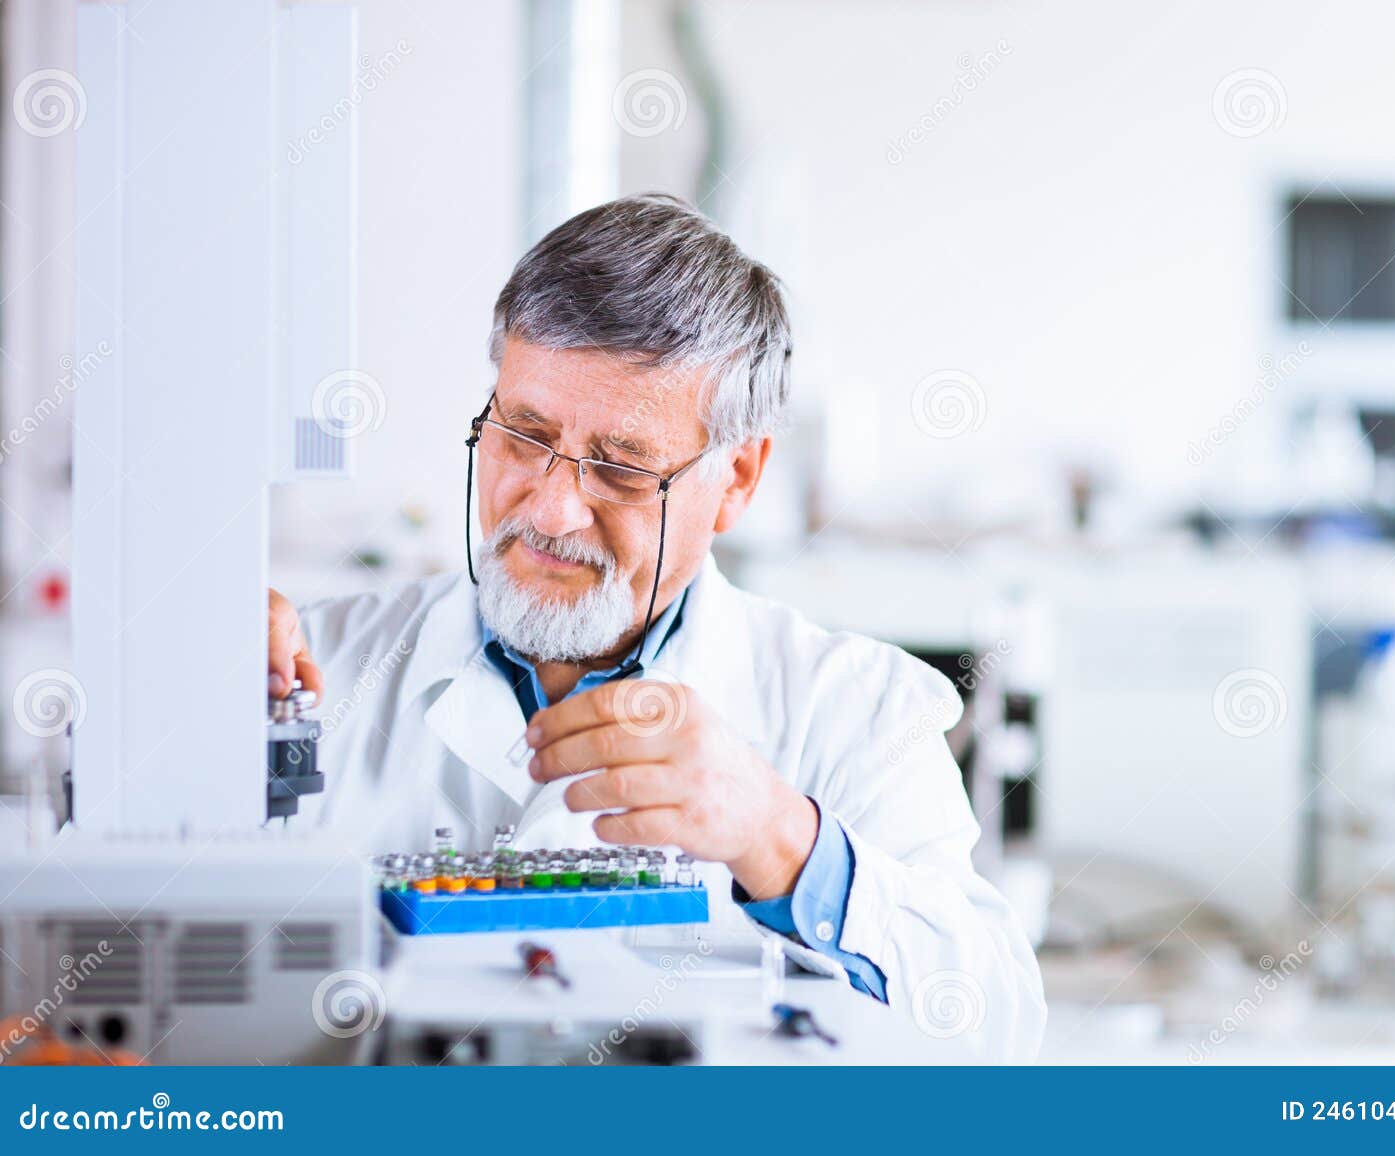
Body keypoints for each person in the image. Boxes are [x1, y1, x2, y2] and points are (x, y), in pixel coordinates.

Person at [268, 194, 1044, 1058]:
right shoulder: (309, 667)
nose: (554, 510)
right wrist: (168, 708)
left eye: (622, 468)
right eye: (523, 437)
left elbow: (993, 1029)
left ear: (739, 478)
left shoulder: (854, 709)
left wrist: (780, 839)